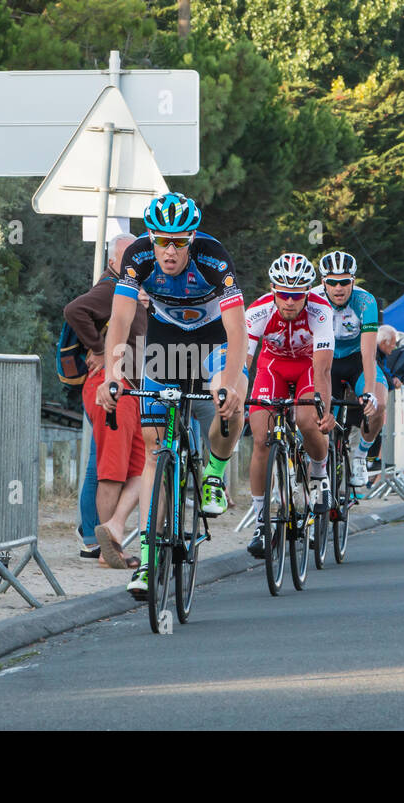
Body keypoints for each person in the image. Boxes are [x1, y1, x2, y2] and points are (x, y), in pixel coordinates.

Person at [96, 192, 248, 599]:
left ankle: (215, 470)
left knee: (228, 396)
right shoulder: (139, 257)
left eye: (179, 241)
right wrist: (112, 372)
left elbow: (237, 332)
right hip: (165, 342)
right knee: (153, 449)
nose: (169, 250)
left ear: (192, 237)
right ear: (151, 237)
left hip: (213, 340)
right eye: (162, 239)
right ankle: (148, 560)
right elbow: (122, 317)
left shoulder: (214, 258)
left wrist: (230, 383)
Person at [244, 253, 336, 556]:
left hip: (308, 367)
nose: (289, 301)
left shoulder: (321, 312)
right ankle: (261, 520)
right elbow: (243, 364)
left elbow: (322, 370)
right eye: (283, 293)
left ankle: (319, 472)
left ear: (307, 292)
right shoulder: (257, 311)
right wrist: (235, 394)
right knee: (261, 440)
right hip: (272, 368)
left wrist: (324, 408)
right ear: (273, 288)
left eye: (297, 295)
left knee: (307, 421)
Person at [64, 233, 147, 568]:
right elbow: (74, 310)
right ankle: (107, 551)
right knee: (111, 471)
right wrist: (100, 349)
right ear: (113, 260)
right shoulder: (112, 287)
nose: (135, 265)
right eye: (127, 258)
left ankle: (108, 537)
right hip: (112, 387)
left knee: (140, 465)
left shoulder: (131, 289)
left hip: (130, 388)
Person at [310, 250, 386, 485]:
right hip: (324, 360)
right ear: (323, 282)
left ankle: (361, 454)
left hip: (355, 359)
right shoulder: (312, 299)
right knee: (315, 414)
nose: (339, 288)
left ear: (353, 281)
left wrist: (370, 392)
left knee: (380, 403)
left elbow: (369, 352)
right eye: (332, 282)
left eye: (344, 282)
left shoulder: (366, 301)